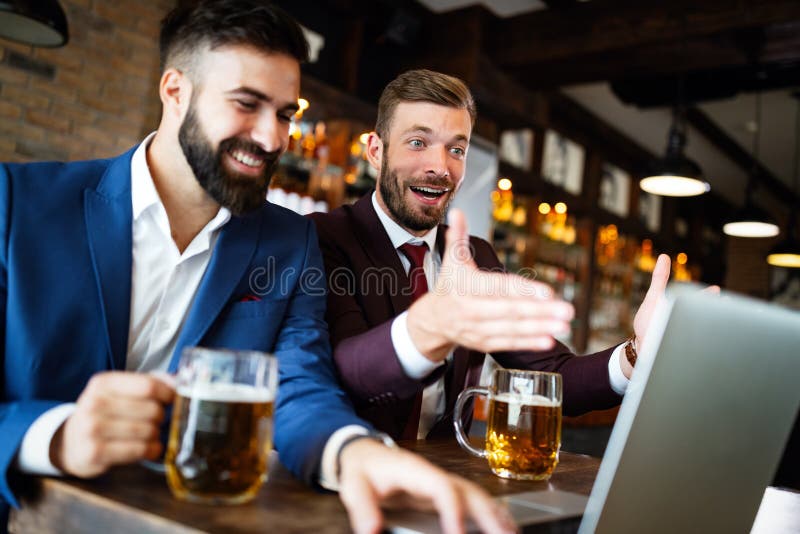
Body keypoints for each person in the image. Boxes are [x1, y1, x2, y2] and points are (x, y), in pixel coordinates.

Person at [0, 4, 515, 534]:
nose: (272, 139)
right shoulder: (16, 203)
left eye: (286, 114)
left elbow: (300, 384)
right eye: (247, 105)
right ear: (175, 91)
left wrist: (353, 452)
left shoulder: (288, 240)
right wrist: (56, 435)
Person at [309, 69, 671, 440]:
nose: (440, 167)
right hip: (343, 475)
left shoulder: (474, 255)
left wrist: (635, 353)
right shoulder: (323, 237)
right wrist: (435, 324)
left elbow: (554, 375)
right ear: (375, 151)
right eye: (418, 142)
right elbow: (343, 373)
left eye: (456, 149)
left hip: (443, 481)